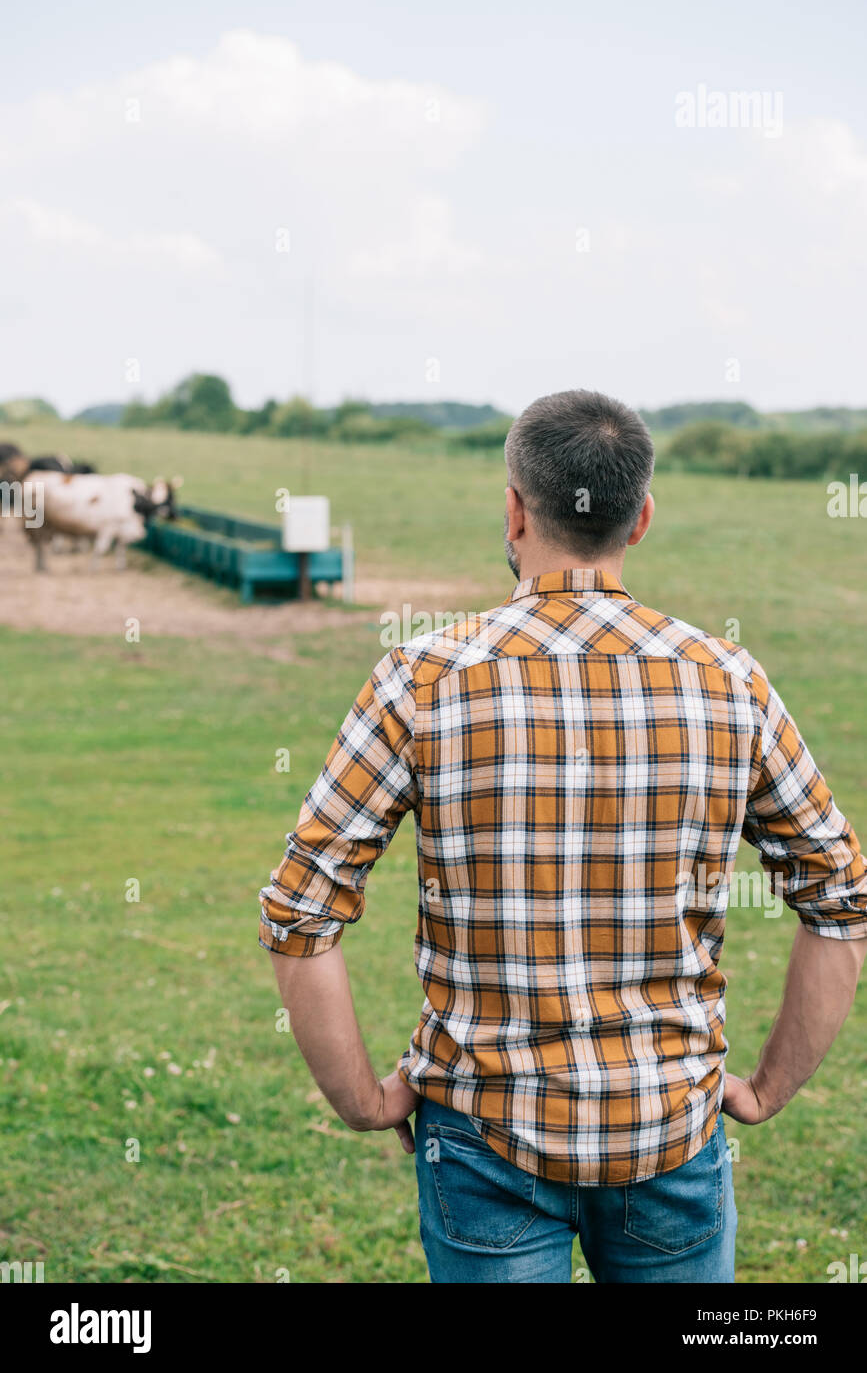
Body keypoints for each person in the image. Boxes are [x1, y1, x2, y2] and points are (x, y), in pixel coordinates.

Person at [259, 389, 867, 1283]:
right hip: (671, 1135)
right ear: (641, 517)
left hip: (480, 1143)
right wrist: (767, 1089)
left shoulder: (420, 679)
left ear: (513, 506)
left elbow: (301, 909)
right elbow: (840, 901)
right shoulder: (728, 680)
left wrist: (362, 1100)